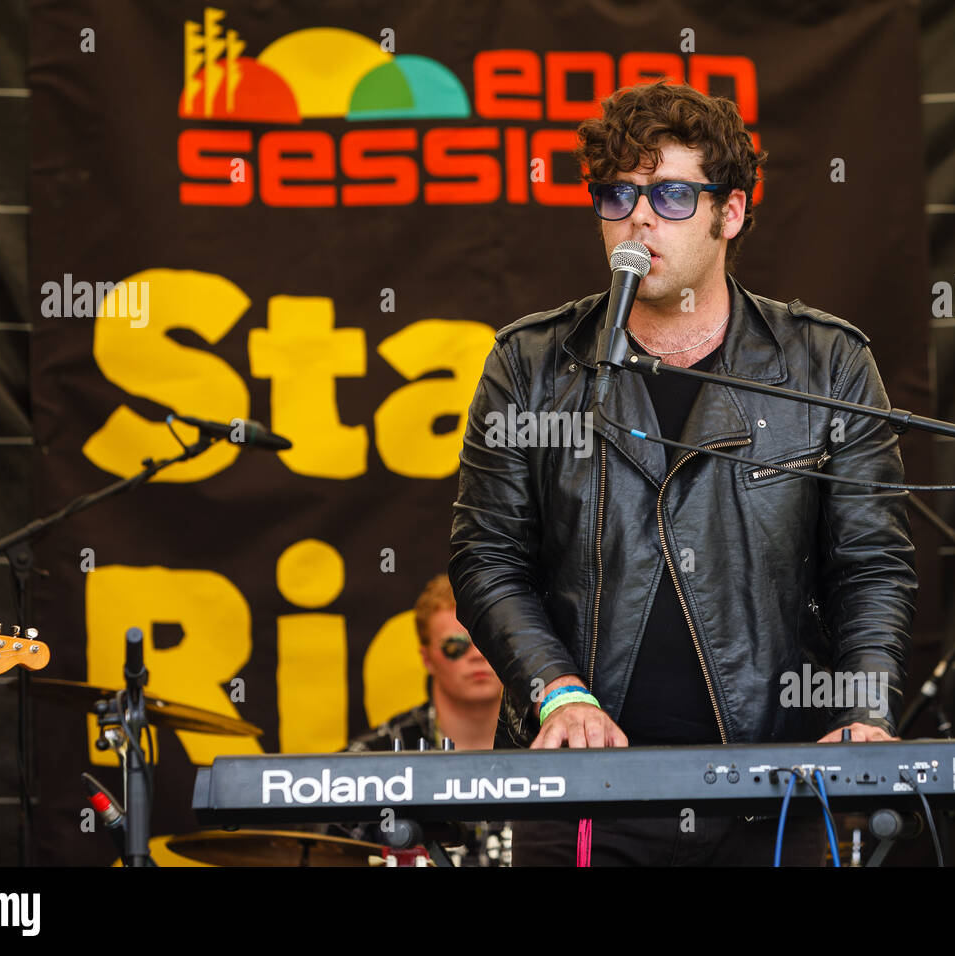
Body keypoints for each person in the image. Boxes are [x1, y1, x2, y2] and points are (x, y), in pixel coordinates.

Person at [448, 81, 918, 866]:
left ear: (728, 213)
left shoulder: (827, 360)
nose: (636, 217)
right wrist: (556, 690)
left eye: (669, 194)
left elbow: (872, 564)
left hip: (782, 791)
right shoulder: (529, 363)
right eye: (617, 194)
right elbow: (487, 558)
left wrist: (864, 704)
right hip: (581, 791)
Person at [348, 573, 502, 753]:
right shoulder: (371, 757)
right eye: (455, 645)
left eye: (489, 640)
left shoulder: (540, 739)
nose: (477, 654)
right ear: (427, 659)